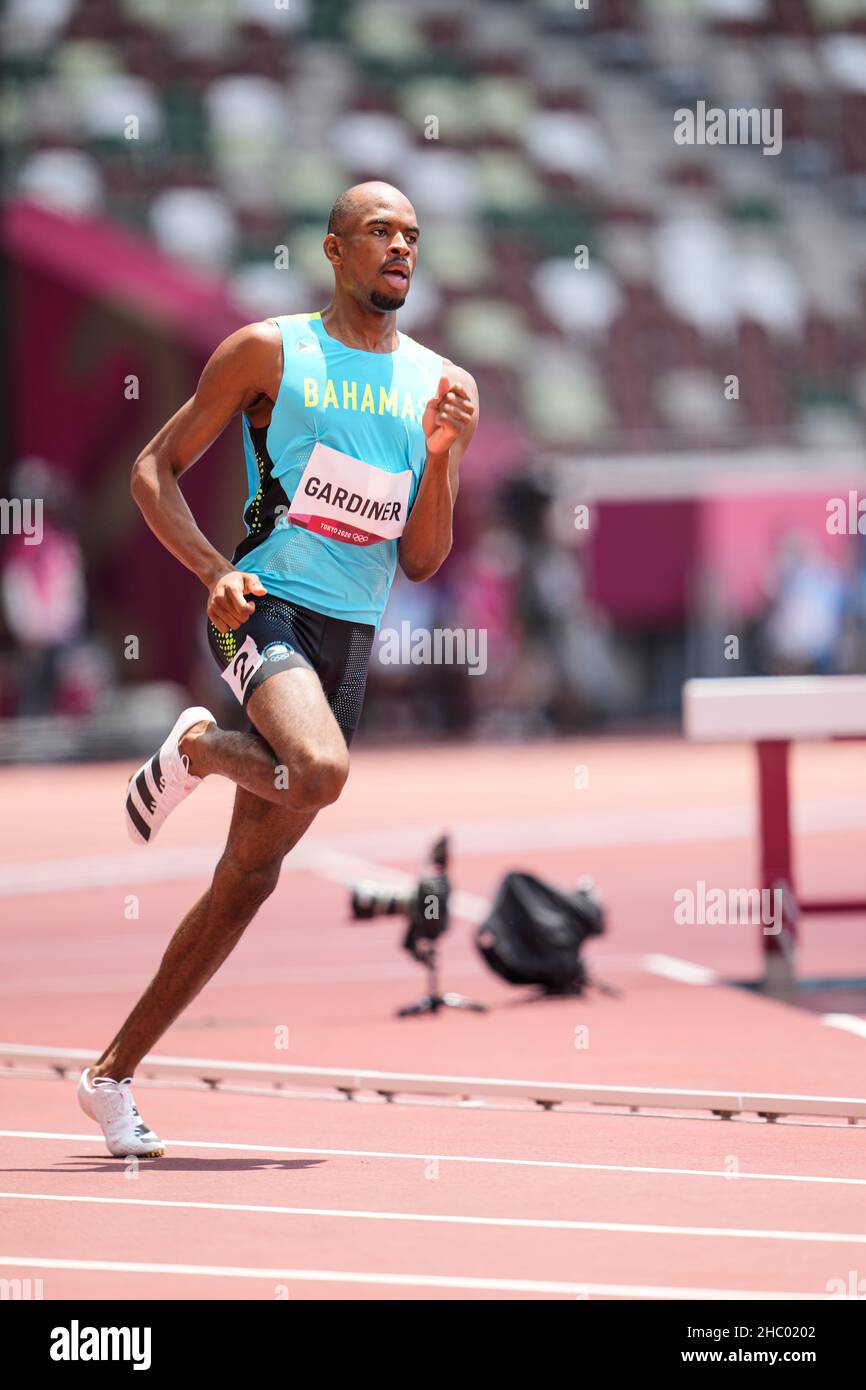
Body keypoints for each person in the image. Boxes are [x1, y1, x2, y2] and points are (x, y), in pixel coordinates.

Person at [78, 181, 478, 1157]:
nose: (400, 248)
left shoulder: (437, 382)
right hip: (263, 610)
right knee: (325, 772)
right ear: (335, 250)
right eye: (379, 233)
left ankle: (109, 1076)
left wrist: (445, 454)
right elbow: (152, 468)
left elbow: (420, 558)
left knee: (243, 881)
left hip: (348, 642)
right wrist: (215, 574)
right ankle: (204, 746)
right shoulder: (270, 350)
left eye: (412, 237)